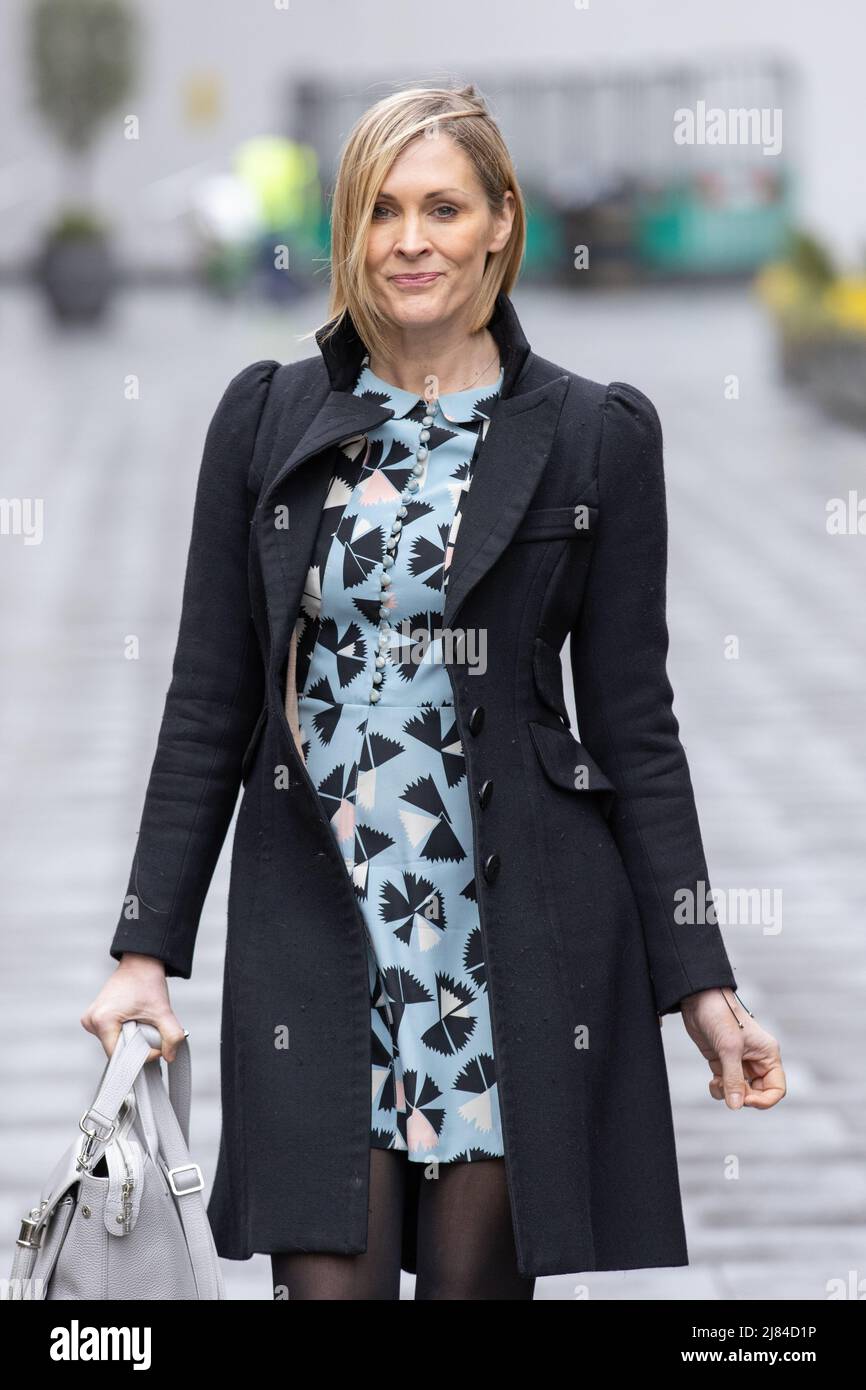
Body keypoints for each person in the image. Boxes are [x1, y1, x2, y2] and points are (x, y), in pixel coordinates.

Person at [82, 82, 786, 1301]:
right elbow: (209, 699)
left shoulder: (591, 435)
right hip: (316, 922)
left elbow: (635, 727)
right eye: (380, 210)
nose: (409, 240)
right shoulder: (265, 418)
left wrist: (702, 983)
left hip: (510, 937)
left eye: (443, 208)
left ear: (501, 223)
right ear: (348, 231)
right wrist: (146, 949)